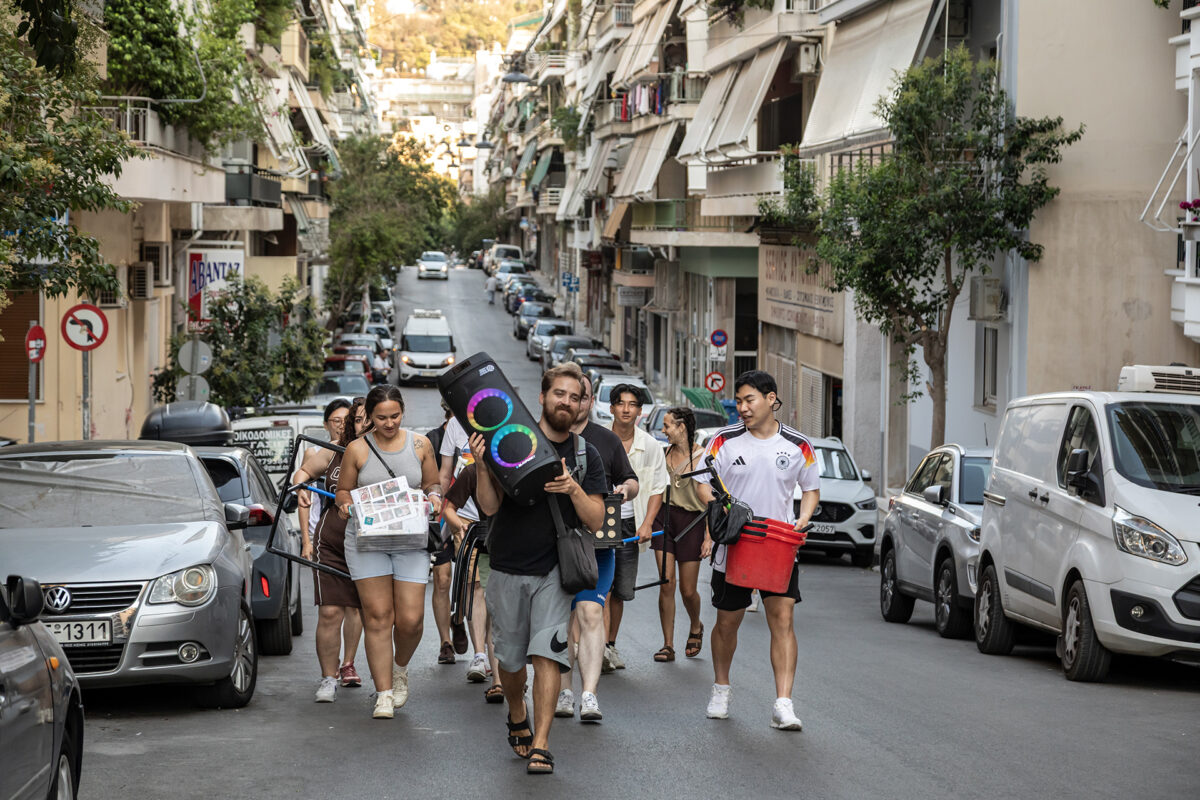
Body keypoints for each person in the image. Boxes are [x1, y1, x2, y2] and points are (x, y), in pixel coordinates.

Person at [473, 362, 607, 775]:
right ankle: (518, 712)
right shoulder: (511, 441)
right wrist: (481, 465)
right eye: (559, 394)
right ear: (543, 397)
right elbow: (490, 507)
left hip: (555, 571)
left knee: (548, 657)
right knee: (511, 664)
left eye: (575, 396)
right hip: (508, 566)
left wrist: (573, 488)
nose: (566, 402)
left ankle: (543, 743)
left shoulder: (586, 455)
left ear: (582, 403)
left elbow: (597, 519)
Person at [700, 371, 819, 731]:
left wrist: (804, 518)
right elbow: (703, 486)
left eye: (749, 399)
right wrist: (721, 507)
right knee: (727, 622)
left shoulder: (798, 445)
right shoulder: (723, 440)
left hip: (778, 544)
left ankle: (783, 703)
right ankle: (721, 688)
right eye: (738, 401)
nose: (742, 407)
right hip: (735, 543)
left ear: (771, 399)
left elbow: (810, 489)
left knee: (782, 621)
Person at [335, 385, 444, 719]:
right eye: (381, 417)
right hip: (367, 542)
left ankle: (400, 667)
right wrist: (346, 506)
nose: (388, 423)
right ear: (370, 416)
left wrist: (435, 498)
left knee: (411, 620)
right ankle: (383, 692)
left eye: (394, 416)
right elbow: (343, 491)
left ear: (403, 411)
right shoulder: (357, 449)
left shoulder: (420, 444)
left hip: (410, 541)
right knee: (378, 617)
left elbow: (432, 484)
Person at [556, 374, 638, 722]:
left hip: (598, 543)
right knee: (561, 620)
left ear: (589, 401)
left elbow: (631, 479)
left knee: (590, 613)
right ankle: (563, 691)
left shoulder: (606, 440)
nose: (575, 402)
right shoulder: (544, 439)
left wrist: (625, 491)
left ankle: (588, 695)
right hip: (555, 544)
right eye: (567, 395)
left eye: (582, 396)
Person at [292, 398, 366, 701]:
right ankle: (328, 677)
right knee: (331, 611)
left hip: (369, 543)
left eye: (369, 419)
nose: (366, 425)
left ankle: (355, 667)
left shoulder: (386, 452)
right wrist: (301, 489)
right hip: (332, 540)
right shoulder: (337, 450)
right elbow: (303, 473)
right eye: (359, 420)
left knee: (366, 611)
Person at [651, 407, 714, 661]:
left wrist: (709, 536)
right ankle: (667, 644)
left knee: (688, 590)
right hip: (664, 518)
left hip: (693, 522)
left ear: (682, 427)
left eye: (667, 426)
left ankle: (696, 625)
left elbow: (712, 500)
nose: (663, 431)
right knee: (666, 582)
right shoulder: (663, 454)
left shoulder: (703, 457)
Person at [442, 462, 500, 698]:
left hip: (507, 539)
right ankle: (479, 655)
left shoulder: (517, 466)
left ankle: (499, 677)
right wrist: (460, 526)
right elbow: (448, 509)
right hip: (476, 534)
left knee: (496, 605)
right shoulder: (472, 471)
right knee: (477, 590)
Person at [426, 404, 468, 665]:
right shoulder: (433, 438)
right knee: (442, 579)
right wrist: (436, 509)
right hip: (444, 512)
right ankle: (445, 642)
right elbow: (436, 477)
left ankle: (458, 617)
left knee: (466, 578)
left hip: (468, 512)